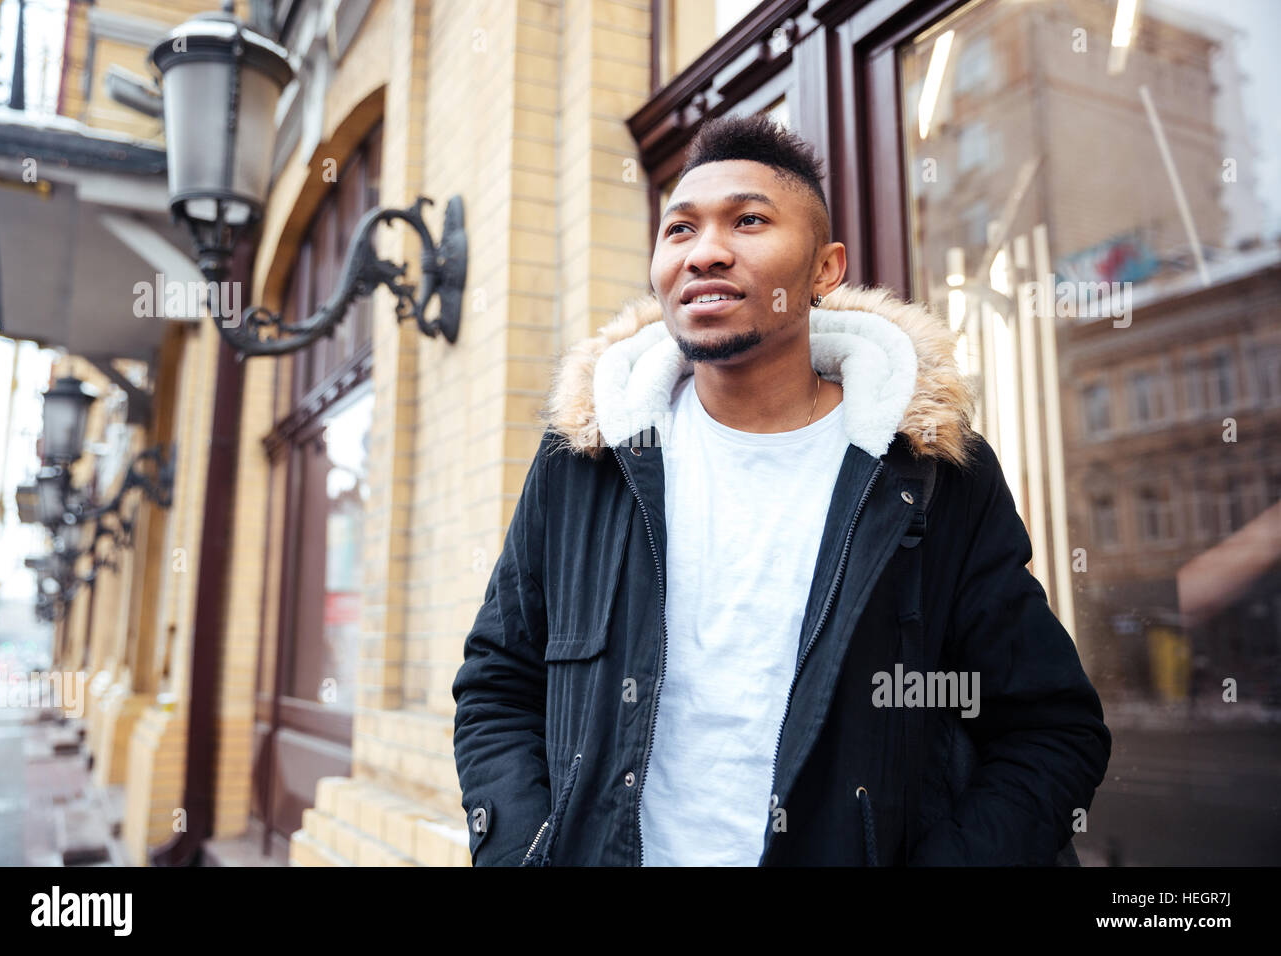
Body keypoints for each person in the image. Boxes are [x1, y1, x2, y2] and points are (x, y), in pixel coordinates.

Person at [451, 113, 1110, 866]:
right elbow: (497, 687)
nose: (705, 252)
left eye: (750, 221)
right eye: (679, 231)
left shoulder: (925, 473)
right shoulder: (585, 462)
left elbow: (1051, 728)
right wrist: (519, 852)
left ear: (825, 270)